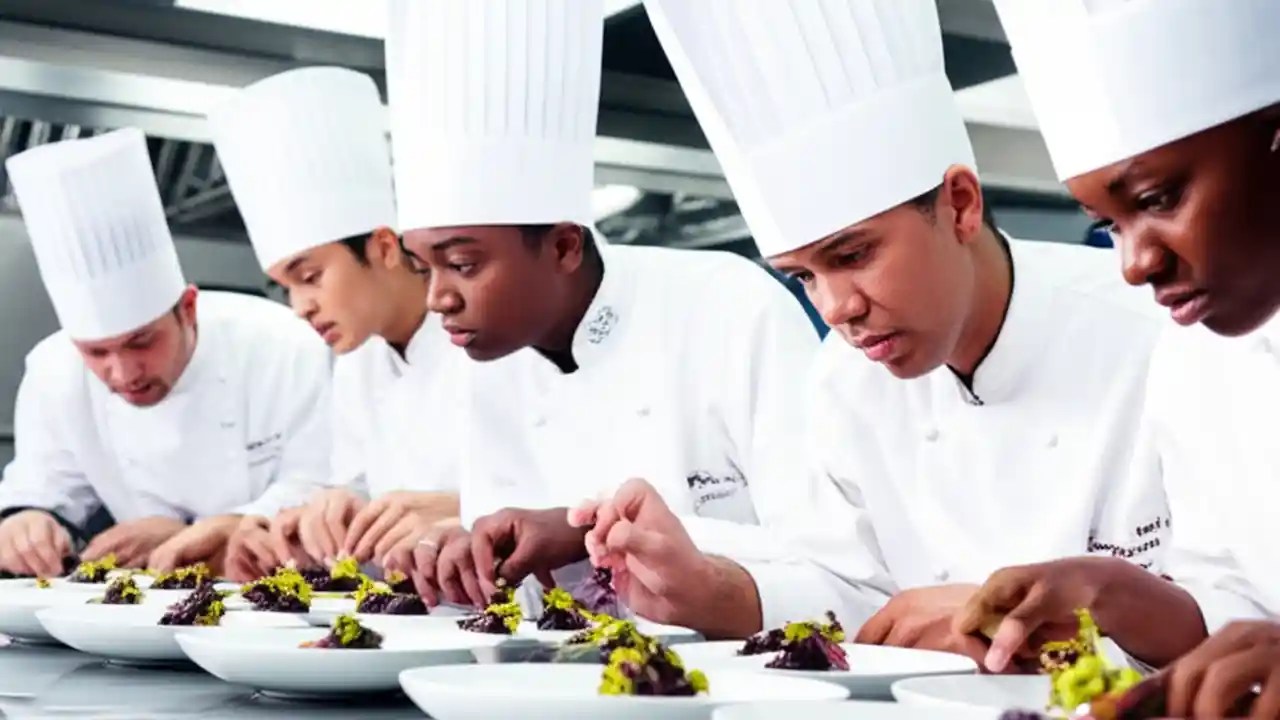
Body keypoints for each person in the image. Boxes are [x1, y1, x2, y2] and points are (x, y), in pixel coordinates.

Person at [568, 0, 1172, 661]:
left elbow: (1229, 629)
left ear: (961, 205)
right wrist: (705, 588)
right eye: (803, 277)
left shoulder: (1157, 335)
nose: (835, 308)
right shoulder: (845, 378)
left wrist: (1002, 627)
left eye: (853, 256)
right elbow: (850, 592)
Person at [379, 0, 885, 634]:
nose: (438, 299)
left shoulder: (728, 305)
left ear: (564, 246)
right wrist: (464, 565)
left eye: (463, 264)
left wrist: (579, 531)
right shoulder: (485, 360)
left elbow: (846, 577)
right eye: (424, 268)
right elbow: (523, 610)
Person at [955, 1, 1280, 714]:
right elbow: (1239, 612)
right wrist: (1110, 590)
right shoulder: (1195, 360)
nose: (1133, 265)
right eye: (1109, 226)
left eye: (1158, 197)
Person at [0, 128, 331, 577]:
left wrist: (198, 531)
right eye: (97, 352)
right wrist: (26, 523)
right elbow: (45, 487)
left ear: (188, 309)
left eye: (141, 341)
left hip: (270, 600)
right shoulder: (53, 368)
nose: (123, 373)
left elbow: (322, 485)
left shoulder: (288, 347)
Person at [204, 66, 463, 581]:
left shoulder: (492, 334)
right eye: (286, 287)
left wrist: (467, 508)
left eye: (310, 276)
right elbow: (360, 483)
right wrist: (328, 511)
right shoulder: (359, 355)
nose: (300, 306)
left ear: (385, 247)